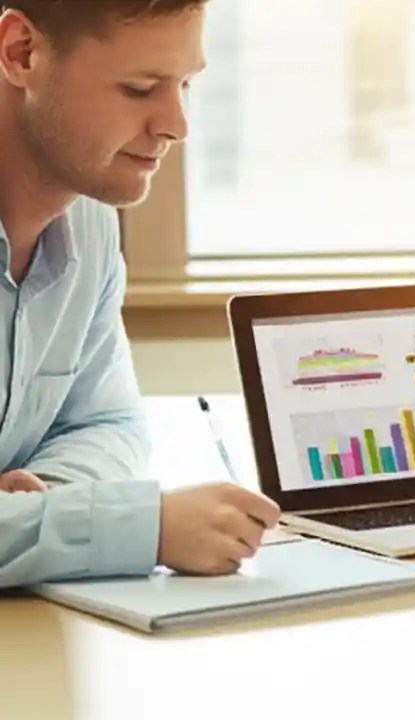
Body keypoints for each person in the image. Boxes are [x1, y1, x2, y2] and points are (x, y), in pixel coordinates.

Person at [0, 0, 280, 587]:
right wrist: (143, 528)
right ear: (21, 53)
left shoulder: (90, 222)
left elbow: (108, 423)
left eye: (184, 85)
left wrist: (42, 507)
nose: (176, 125)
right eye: (140, 88)